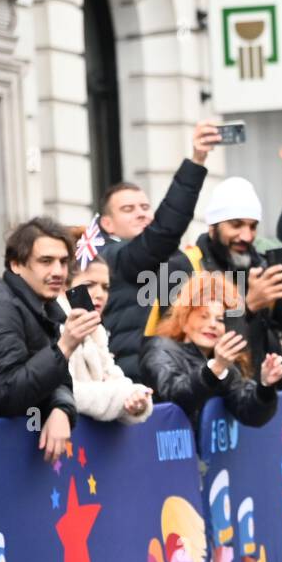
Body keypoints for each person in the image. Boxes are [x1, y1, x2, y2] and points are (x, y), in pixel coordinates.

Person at [156, 177, 282, 390]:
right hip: (204, 397)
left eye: (253, 227)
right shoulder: (183, 267)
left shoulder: (261, 268)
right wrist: (247, 306)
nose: (246, 235)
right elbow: (173, 345)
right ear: (213, 226)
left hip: (255, 400)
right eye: (236, 225)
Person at [102, 121, 221, 381]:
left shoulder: (177, 260)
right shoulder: (112, 258)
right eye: (128, 209)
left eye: (145, 207)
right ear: (106, 224)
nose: (141, 213)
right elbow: (164, 231)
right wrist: (197, 161)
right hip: (133, 384)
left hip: (176, 379)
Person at [0, 218, 87, 461]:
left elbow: (58, 380)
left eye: (63, 262)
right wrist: (64, 347)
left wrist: (61, 409)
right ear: (16, 265)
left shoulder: (44, 309)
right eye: (46, 261)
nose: (58, 272)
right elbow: (7, 392)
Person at [139, 273, 282, 431]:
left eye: (220, 320)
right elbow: (174, 397)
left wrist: (265, 385)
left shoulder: (223, 366)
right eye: (204, 316)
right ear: (184, 320)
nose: (212, 324)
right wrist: (214, 369)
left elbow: (249, 413)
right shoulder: (159, 348)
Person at [62, 251, 154, 424]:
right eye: (89, 285)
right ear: (64, 287)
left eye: (105, 287)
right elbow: (67, 392)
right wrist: (123, 397)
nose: (99, 294)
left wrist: (138, 399)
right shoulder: (57, 328)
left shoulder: (97, 333)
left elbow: (116, 379)